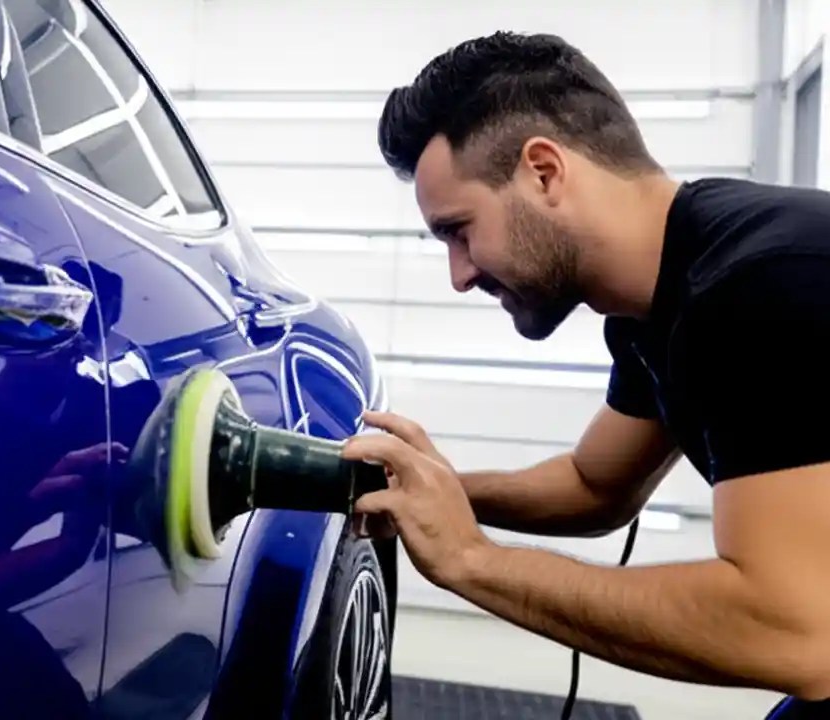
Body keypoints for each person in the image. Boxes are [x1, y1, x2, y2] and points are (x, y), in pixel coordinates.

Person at [346, 30, 830, 717]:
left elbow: (791, 630)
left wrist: (470, 559)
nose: (458, 276)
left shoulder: (758, 284)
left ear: (544, 172)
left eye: (459, 230)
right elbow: (594, 486)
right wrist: (435, 491)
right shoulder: (657, 303)